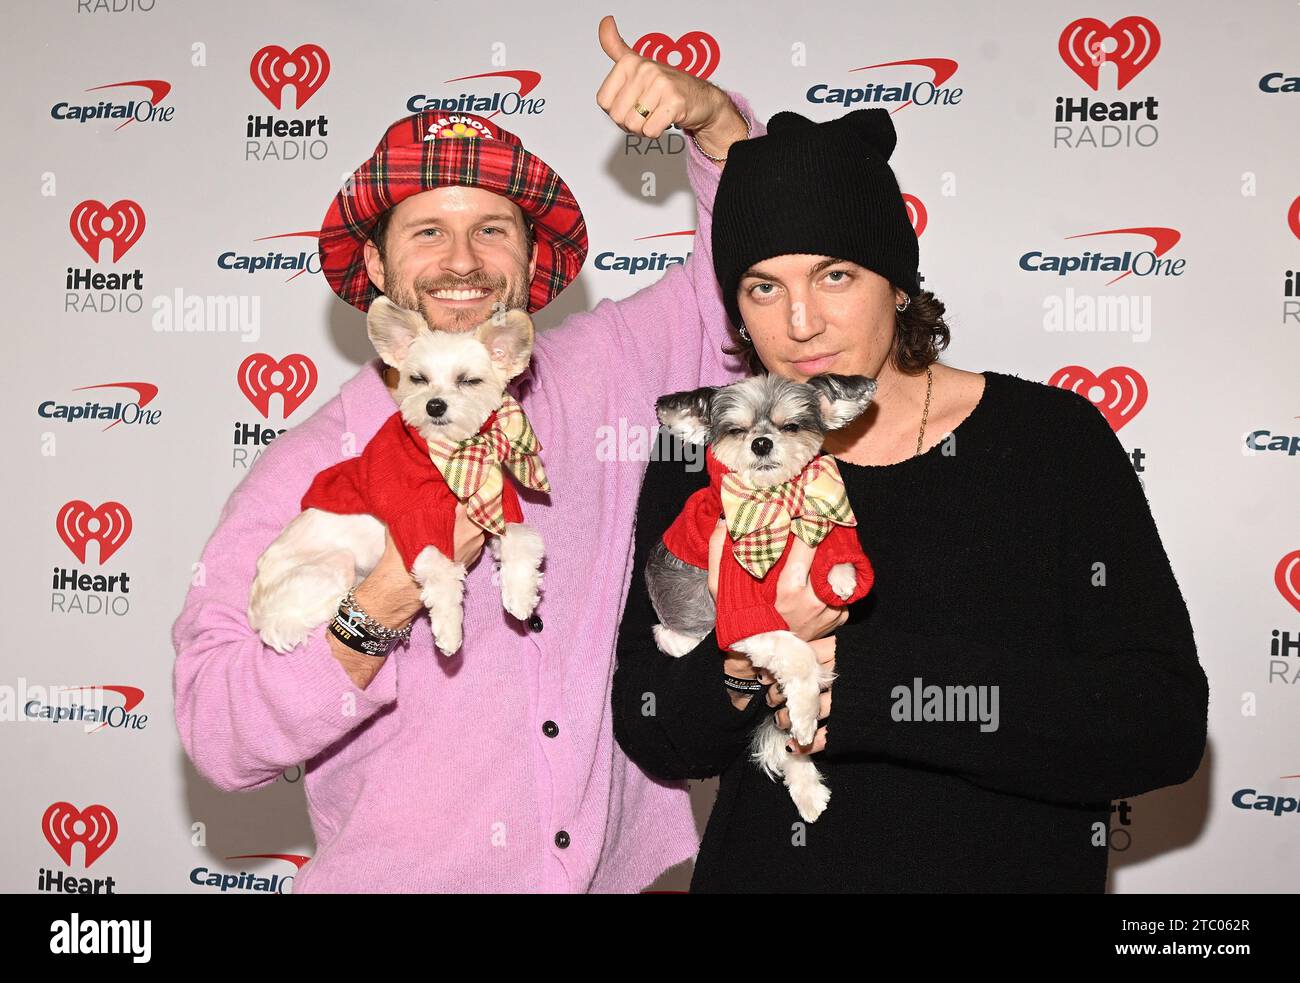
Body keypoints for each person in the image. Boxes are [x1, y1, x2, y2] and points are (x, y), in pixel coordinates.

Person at [170, 17, 763, 892]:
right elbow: (219, 733)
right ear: (374, 264)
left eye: (493, 229)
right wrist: (378, 606)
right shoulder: (312, 465)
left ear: (531, 259)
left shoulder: (606, 370)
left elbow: (735, 293)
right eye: (426, 232)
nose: (462, 261)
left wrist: (714, 125)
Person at [611, 107, 1210, 892]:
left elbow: (1157, 722)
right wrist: (755, 656)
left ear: (897, 282)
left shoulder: (1047, 442)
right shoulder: (709, 458)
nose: (801, 320)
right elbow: (656, 727)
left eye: (835, 275)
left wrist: (879, 685)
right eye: (764, 286)